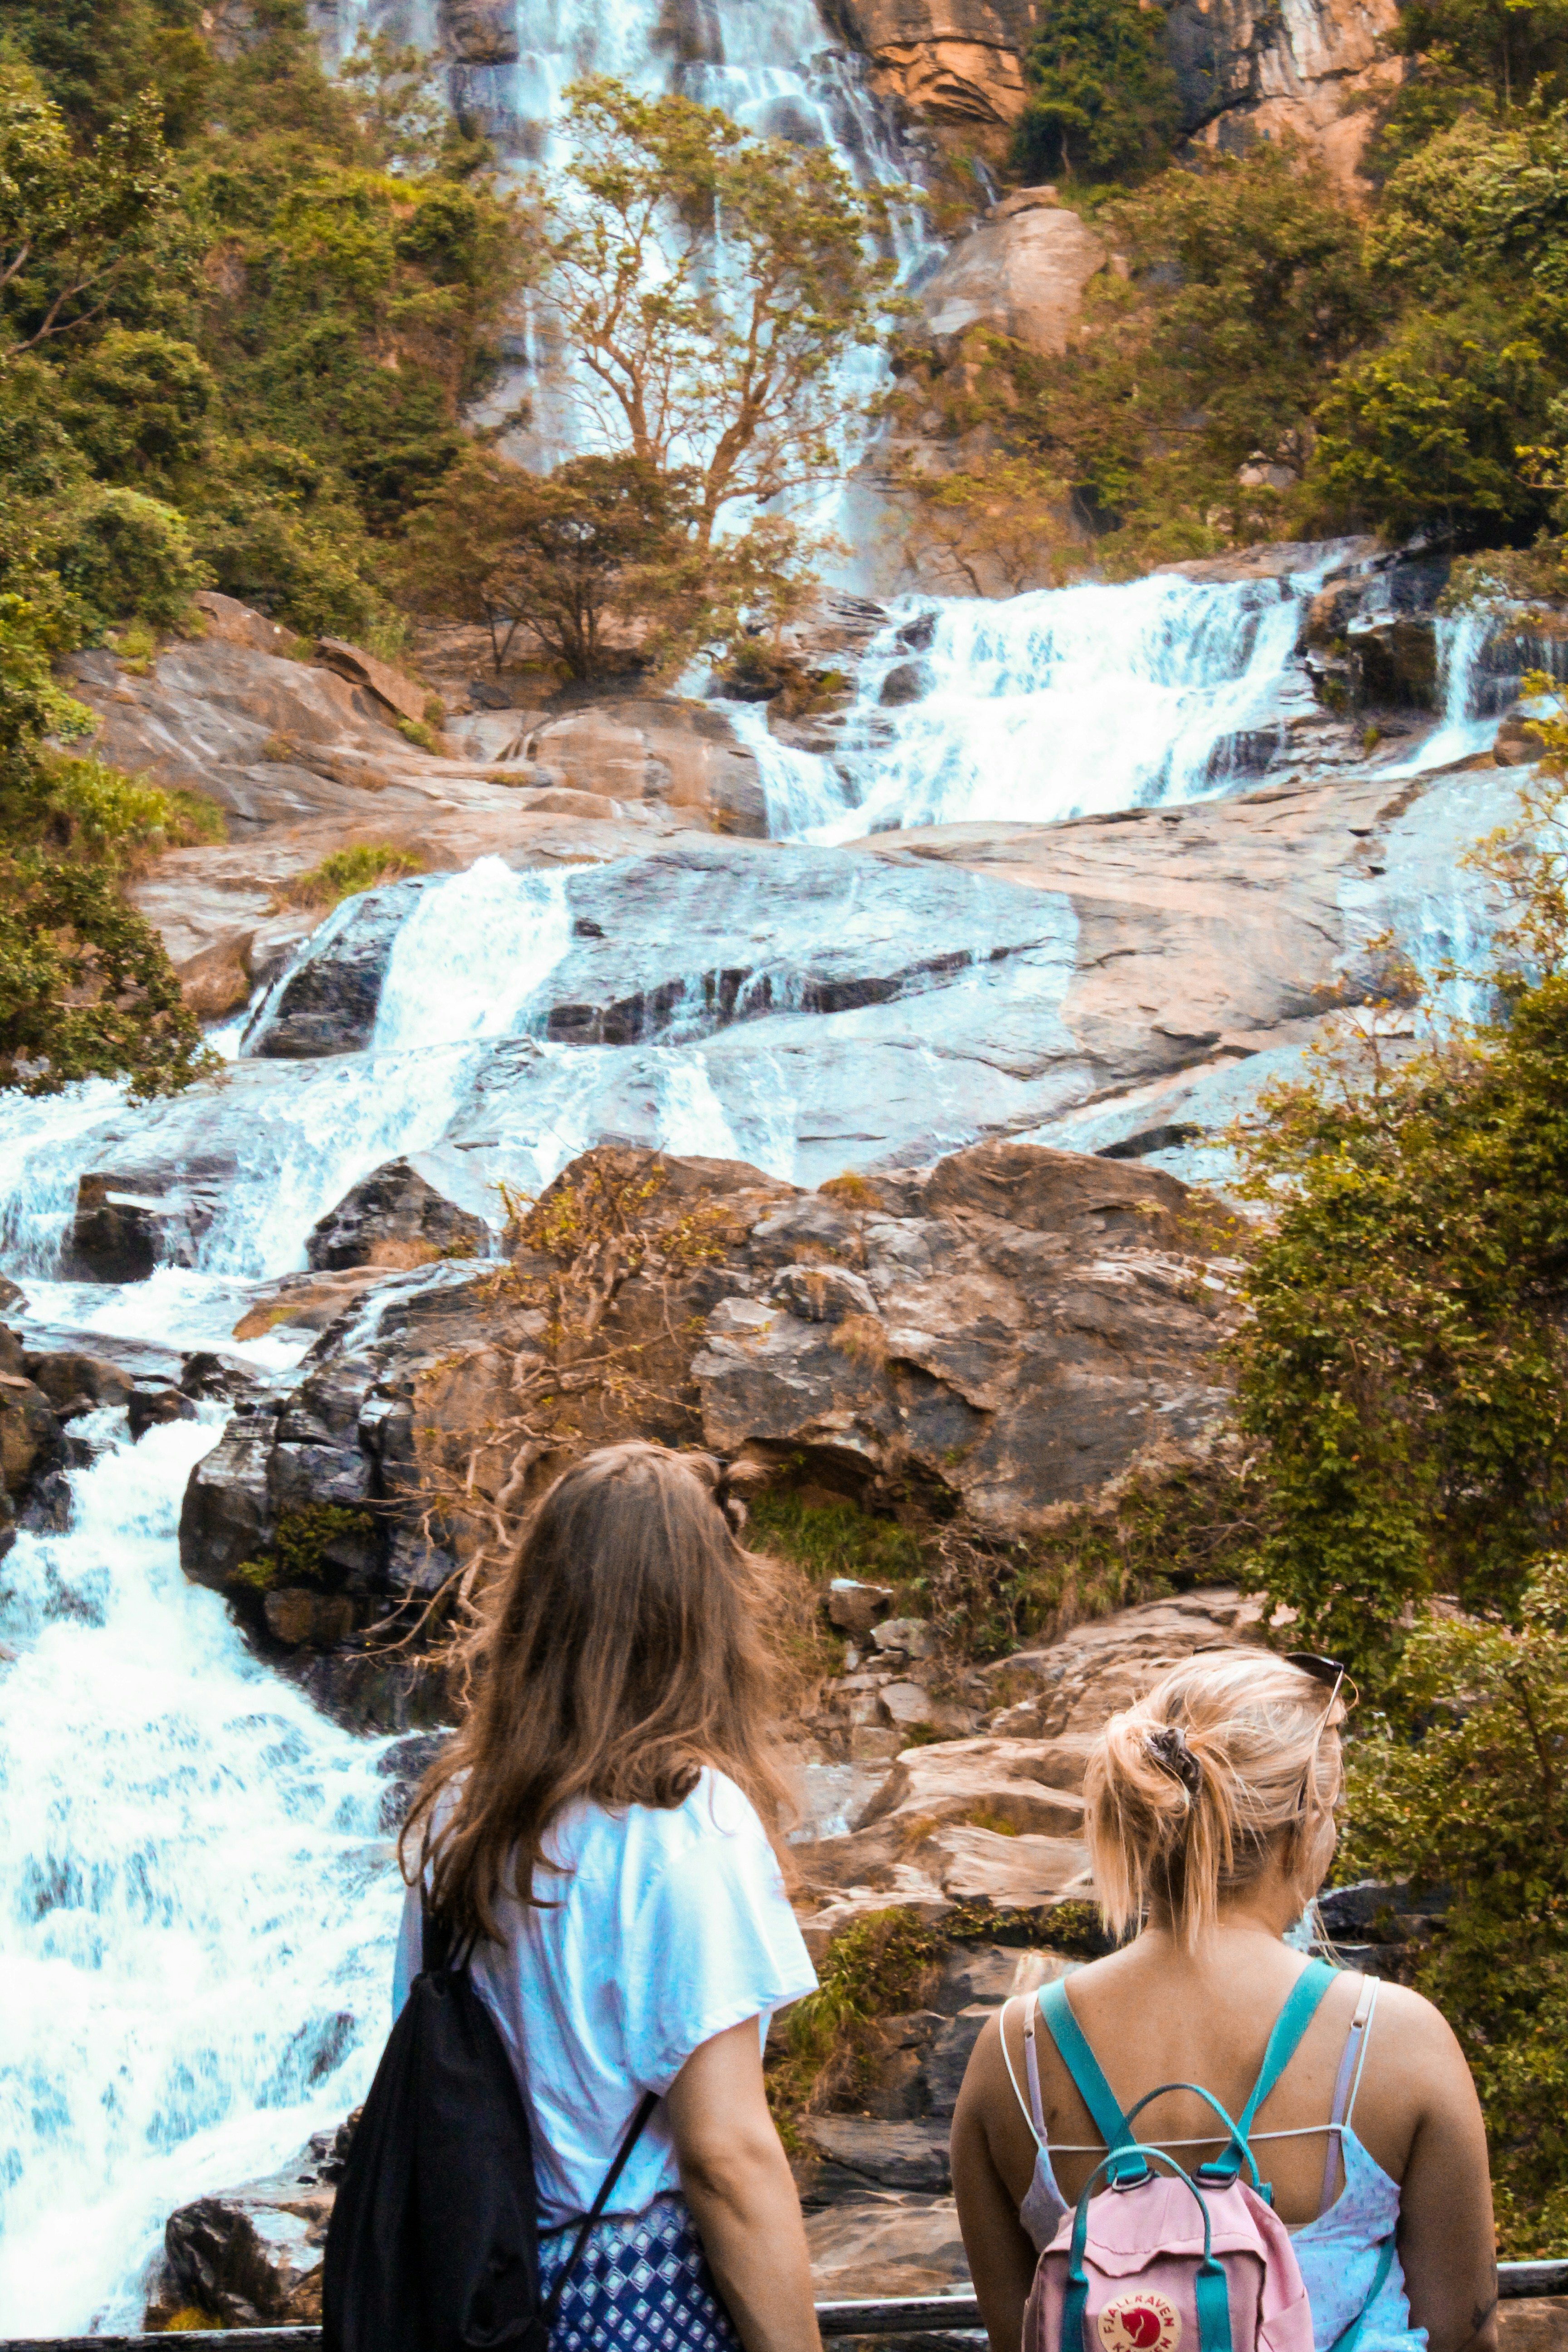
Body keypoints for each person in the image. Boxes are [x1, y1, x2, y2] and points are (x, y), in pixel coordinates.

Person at [393, 1441, 823, 2352]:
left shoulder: (455, 1817)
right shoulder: (685, 1821)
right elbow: (726, 2156)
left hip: (478, 2286)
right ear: (698, 1613)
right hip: (637, 2294)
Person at [951, 1648, 1498, 2352]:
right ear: (1305, 1826)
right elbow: (1465, 2336)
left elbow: (1017, 2338)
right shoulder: (1393, 2038)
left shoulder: (1012, 2052)